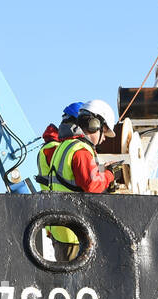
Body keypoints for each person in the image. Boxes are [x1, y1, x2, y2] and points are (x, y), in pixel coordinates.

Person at [35, 98, 120, 260]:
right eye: (104, 131)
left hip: (62, 227)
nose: (104, 139)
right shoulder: (81, 150)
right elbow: (91, 185)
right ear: (94, 125)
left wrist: (102, 170)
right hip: (74, 231)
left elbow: (73, 178)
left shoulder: (66, 146)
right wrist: (109, 174)